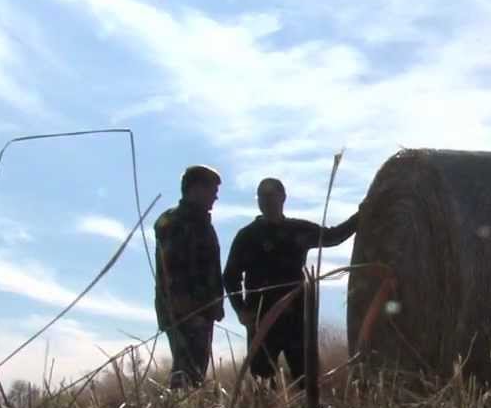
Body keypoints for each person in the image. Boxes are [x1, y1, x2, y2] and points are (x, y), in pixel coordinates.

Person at [223, 177, 365, 384]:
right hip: (262, 317)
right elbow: (230, 276)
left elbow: (333, 236)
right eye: (261, 196)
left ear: (283, 197)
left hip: (296, 315)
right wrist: (241, 310)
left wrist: (361, 215)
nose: (266, 201)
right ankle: (265, 405)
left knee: (307, 377)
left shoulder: (297, 230)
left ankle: (307, 404)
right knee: (262, 380)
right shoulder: (248, 236)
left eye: (271, 195)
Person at [154, 164, 226, 388]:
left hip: (202, 309)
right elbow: (172, 269)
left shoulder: (201, 223)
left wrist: (215, 304)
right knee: (187, 370)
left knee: (195, 370)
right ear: (196, 188)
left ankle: (186, 405)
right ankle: (180, 407)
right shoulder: (176, 221)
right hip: (186, 311)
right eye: (212, 190)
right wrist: (185, 307)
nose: (215, 196)